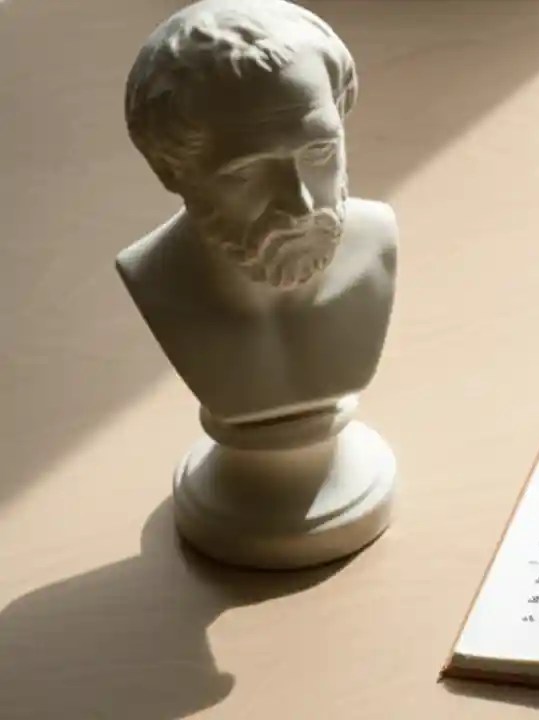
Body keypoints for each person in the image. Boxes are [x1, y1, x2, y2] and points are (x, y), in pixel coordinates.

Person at [116, 0, 397, 425]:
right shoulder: (154, 279)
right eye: (247, 171)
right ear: (170, 169)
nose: (300, 203)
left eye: (319, 151)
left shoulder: (377, 244)